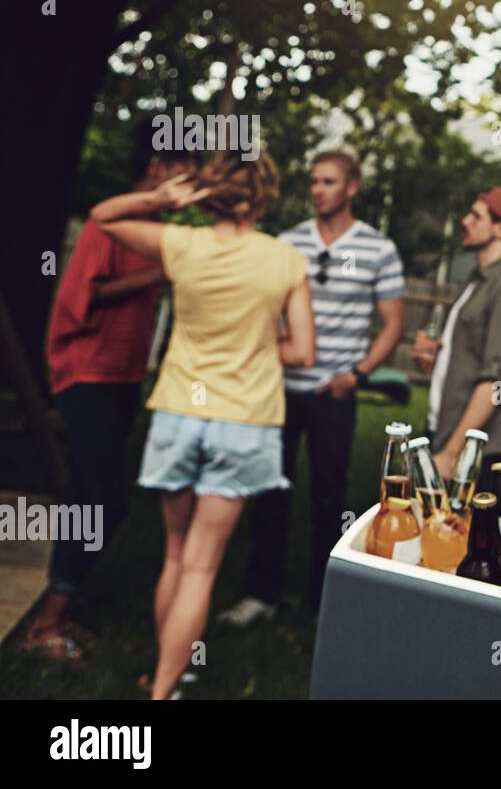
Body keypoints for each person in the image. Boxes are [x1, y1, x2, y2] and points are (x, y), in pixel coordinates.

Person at [90, 149, 315, 700]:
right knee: (200, 567)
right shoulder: (284, 259)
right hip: (244, 421)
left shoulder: (180, 244)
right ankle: (165, 689)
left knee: (173, 554)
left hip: (178, 414)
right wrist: (257, 349)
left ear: (209, 191)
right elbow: (304, 350)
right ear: (264, 195)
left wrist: (161, 199)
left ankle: (159, 674)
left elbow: (103, 217)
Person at [21, 127, 194, 661]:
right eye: (184, 168)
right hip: (86, 372)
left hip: (121, 376)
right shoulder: (115, 224)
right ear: (158, 170)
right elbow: (82, 295)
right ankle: (46, 621)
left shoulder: (155, 229)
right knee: (107, 496)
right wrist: (153, 279)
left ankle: (62, 604)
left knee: (84, 493)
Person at [222, 151, 405, 623]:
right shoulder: (287, 243)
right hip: (279, 387)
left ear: (351, 188)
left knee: (329, 497)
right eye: (314, 182)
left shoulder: (378, 248)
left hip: (334, 393)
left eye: (328, 181)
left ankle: (323, 602)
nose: (318, 189)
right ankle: (260, 594)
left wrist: (357, 376)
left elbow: (392, 325)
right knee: (270, 491)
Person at [413, 188, 501, 479]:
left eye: (476, 216)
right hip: (447, 432)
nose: (464, 221)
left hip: (479, 453)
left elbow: (497, 382)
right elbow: (471, 357)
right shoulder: (478, 280)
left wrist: (452, 454)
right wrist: (437, 356)